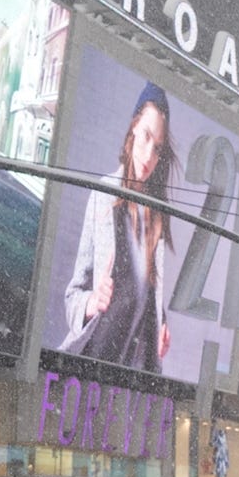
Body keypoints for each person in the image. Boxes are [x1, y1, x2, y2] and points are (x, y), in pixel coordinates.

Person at [58, 83, 177, 371]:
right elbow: (74, 295)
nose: (149, 155)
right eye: (146, 136)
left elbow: (144, 295)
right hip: (90, 363)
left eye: (158, 148)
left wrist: (160, 326)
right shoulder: (102, 196)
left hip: (130, 380)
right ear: (134, 127)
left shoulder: (156, 217)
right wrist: (92, 302)